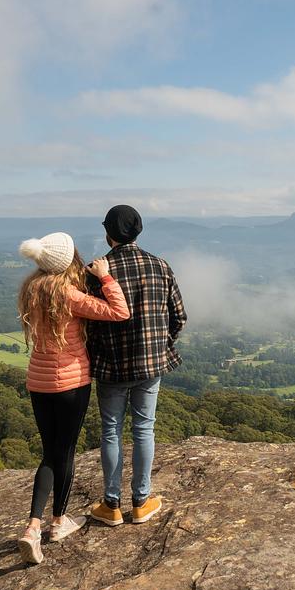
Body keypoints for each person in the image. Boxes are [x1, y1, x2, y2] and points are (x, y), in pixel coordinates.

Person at [14, 232, 130, 565]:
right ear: (66, 261)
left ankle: (33, 526)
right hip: (71, 383)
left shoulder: (32, 290)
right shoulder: (69, 295)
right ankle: (54, 523)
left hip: (38, 382)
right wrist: (105, 276)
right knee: (64, 453)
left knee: (49, 453)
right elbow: (118, 312)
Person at [87, 205, 187, 527]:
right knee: (144, 428)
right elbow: (179, 317)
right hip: (150, 365)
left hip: (111, 366)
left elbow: (87, 324)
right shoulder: (160, 266)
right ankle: (142, 502)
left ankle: (111, 505)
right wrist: (159, 345)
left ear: (108, 233)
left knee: (111, 430)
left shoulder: (97, 272)